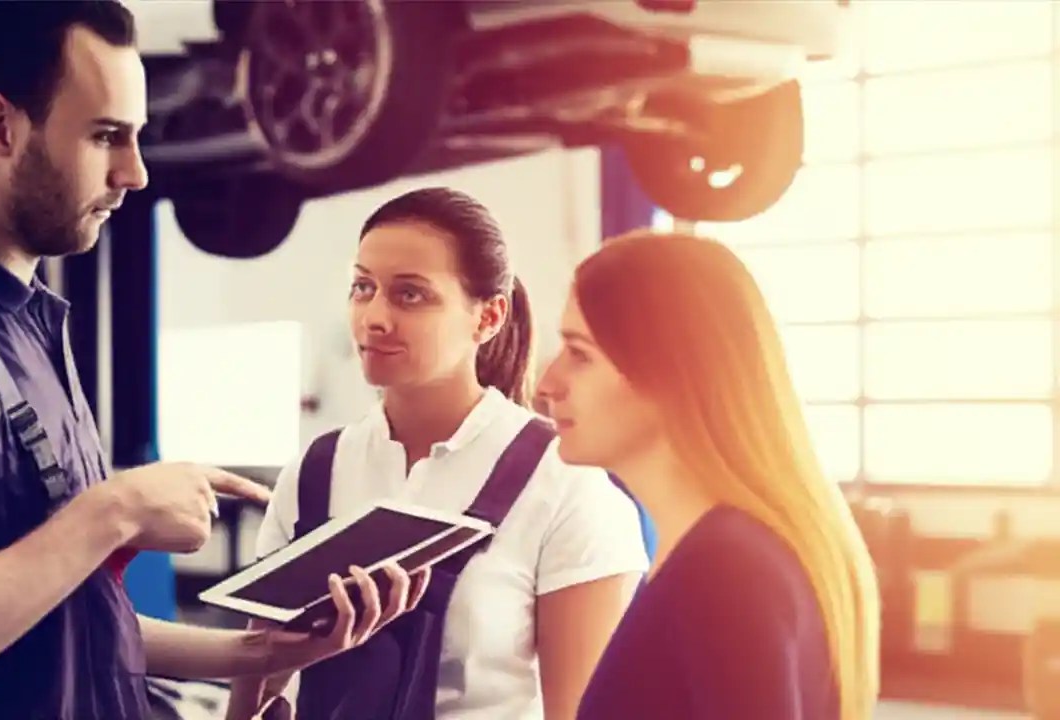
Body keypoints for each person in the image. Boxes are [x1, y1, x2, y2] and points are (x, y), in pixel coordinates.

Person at [0, 3, 418, 719]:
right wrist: (115, 510)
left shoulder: (26, 329)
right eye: (105, 137)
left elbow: (68, 622)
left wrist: (266, 653)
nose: (136, 173)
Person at [227, 188, 649, 720]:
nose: (374, 318)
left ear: (489, 316)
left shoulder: (565, 481)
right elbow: (254, 685)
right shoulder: (314, 472)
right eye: (363, 287)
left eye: (410, 295)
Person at [535, 230, 881, 720]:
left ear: (667, 369)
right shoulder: (731, 552)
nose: (548, 383)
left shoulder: (727, 569)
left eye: (580, 354)